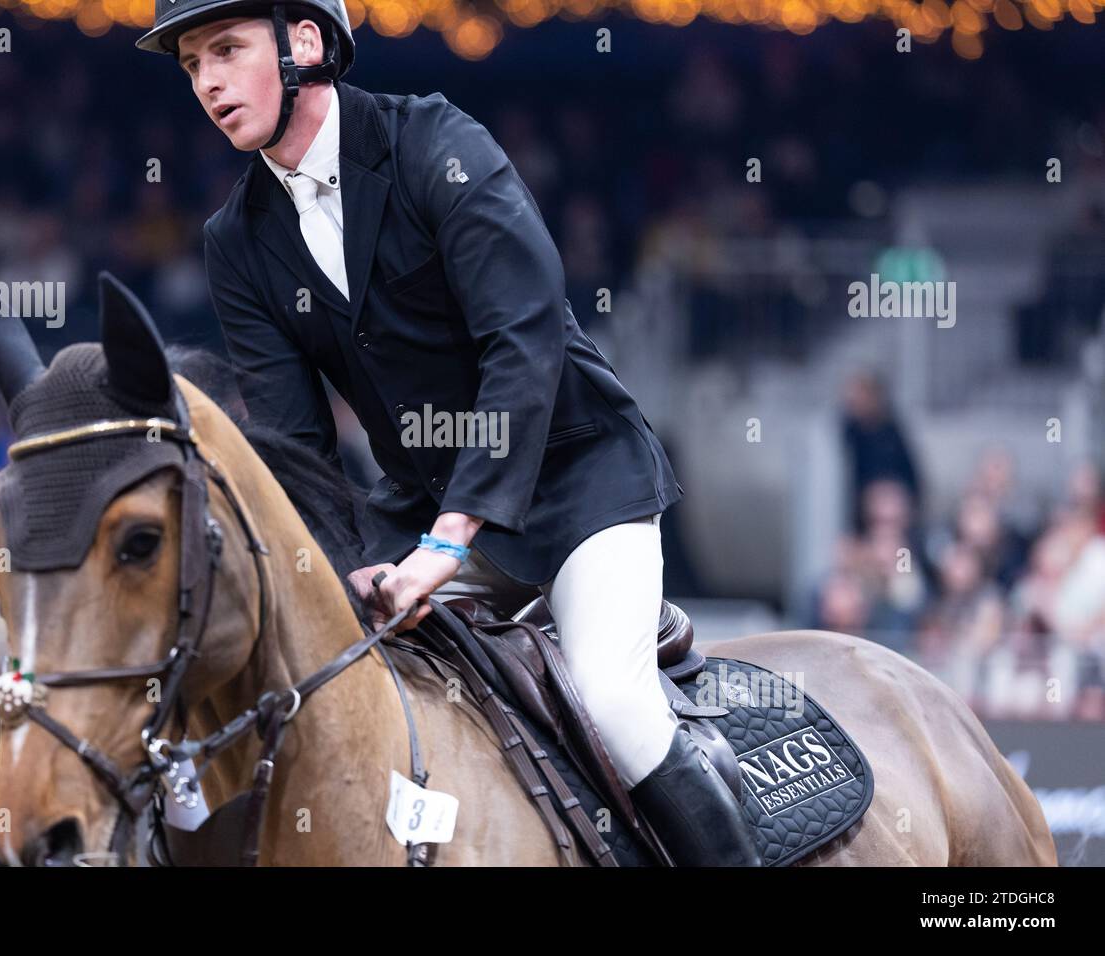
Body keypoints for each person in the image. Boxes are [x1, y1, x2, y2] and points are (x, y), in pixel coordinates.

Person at [135, 0, 758, 865]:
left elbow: (524, 340)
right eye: (192, 63)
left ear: (304, 43)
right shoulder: (237, 240)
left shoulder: (434, 143)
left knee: (614, 701)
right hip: (418, 513)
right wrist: (339, 563)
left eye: (227, 50)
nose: (206, 81)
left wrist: (450, 540)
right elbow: (294, 444)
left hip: (576, 487)